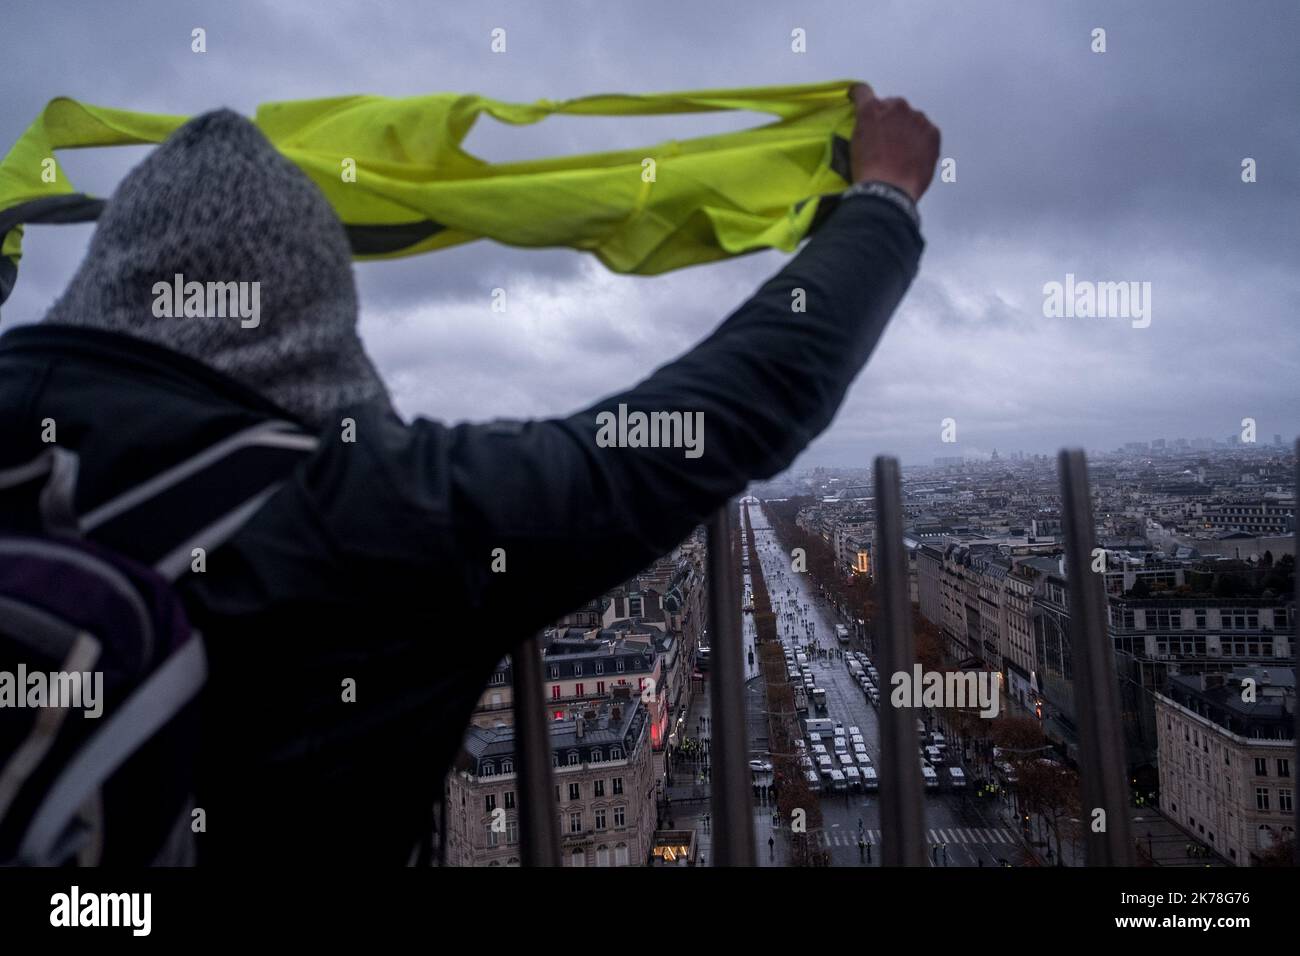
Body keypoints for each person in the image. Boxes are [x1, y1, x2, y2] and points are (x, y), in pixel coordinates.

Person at [0, 87, 937, 865]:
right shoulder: (366, 519)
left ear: (101, 280)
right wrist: (884, 202)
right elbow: (719, 417)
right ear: (312, 321)